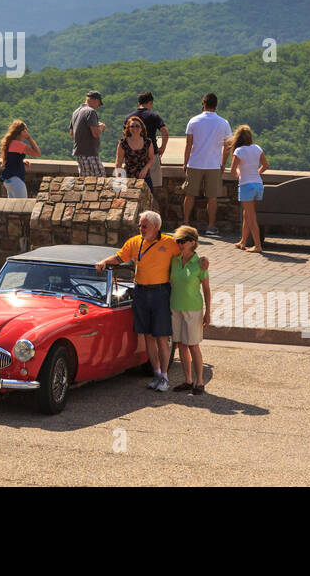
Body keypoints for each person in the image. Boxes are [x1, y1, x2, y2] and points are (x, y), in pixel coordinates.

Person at [94, 211, 207, 392]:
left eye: (144, 226)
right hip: (140, 291)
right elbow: (119, 257)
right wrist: (104, 262)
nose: (141, 229)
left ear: (156, 227)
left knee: (161, 337)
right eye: (139, 225)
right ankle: (156, 374)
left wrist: (202, 260)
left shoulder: (170, 243)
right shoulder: (134, 242)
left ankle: (165, 376)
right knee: (147, 335)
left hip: (161, 292)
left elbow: (188, 251)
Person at [169, 225, 211, 394]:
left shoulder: (200, 264)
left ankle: (199, 382)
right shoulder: (174, 260)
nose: (179, 244)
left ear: (192, 242)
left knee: (193, 345)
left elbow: (207, 289)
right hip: (175, 307)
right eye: (177, 241)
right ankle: (187, 380)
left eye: (182, 241)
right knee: (180, 344)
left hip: (193, 309)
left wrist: (208, 312)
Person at [183, 93, 231, 236]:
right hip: (214, 164)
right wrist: (223, 163)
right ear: (216, 105)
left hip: (195, 162)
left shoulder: (193, 121)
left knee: (190, 194)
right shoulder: (224, 123)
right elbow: (227, 146)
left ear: (203, 103)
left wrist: (185, 163)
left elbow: (188, 144)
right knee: (212, 197)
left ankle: (185, 223)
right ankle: (211, 226)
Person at [227, 125, 269, 254]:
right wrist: (256, 172)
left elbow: (233, 170)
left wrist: (239, 174)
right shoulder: (257, 148)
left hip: (246, 185)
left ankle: (257, 245)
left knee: (250, 217)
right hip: (258, 185)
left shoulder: (239, 151)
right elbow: (265, 165)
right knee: (247, 213)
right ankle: (243, 241)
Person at [126, 93, 169, 213]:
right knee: (154, 189)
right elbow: (165, 131)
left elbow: (125, 137)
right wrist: (162, 148)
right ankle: (154, 216)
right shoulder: (154, 116)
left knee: (132, 190)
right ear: (150, 103)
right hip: (152, 156)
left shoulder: (130, 117)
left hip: (133, 158)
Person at [0, 120, 41, 198]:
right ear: (22, 132)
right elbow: (37, 153)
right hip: (16, 181)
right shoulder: (18, 144)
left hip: (8, 181)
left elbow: (10, 159)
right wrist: (29, 138)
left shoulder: (10, 143)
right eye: (25, 131)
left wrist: (21, 161)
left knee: (11, 208)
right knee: (22, 206)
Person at [70, 90, 107, 177]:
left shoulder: (76, 112)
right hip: (89, 153)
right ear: (96, 100)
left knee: (85, 181)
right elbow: (95, 133)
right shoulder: (91, 111)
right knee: (100, 179)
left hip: (79, 153)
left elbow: (72, 133)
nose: (97, 107)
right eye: (99, 104)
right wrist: (102, 127)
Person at [114, 116, 154, 187]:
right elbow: (118, 163)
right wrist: (117, 177)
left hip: (145, 178)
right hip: (128, 179)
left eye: (137, 126)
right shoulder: (123, 143)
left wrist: (145, 168)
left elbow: (151, 159)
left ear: (141, 128)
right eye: (132, 126)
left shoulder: (147, 142)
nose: (135, 128)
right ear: (128, 128)